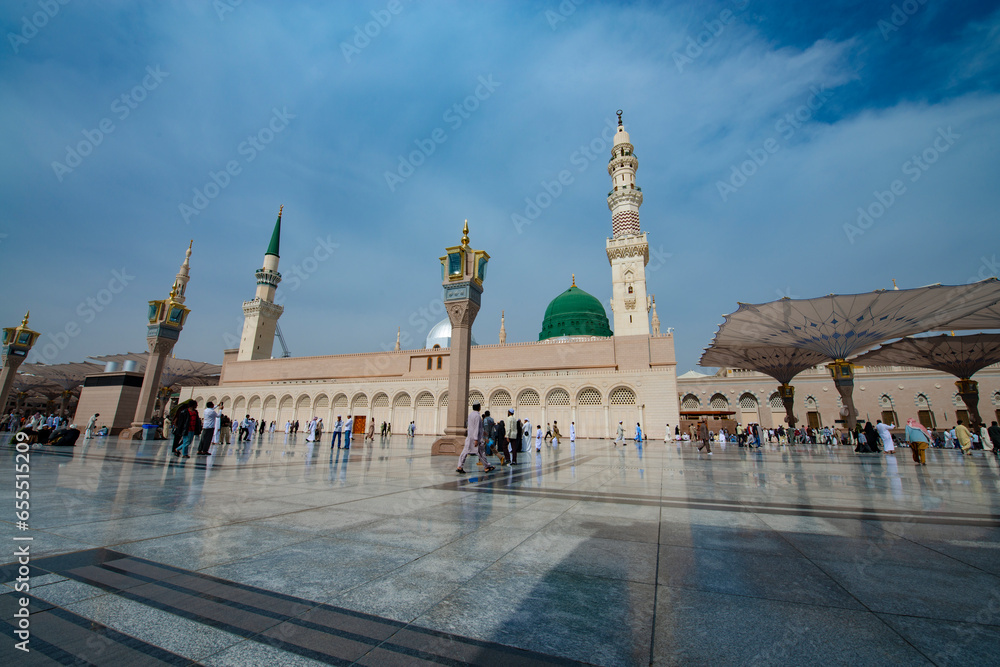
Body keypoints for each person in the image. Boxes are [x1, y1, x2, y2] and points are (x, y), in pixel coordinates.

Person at [457, 402, 492, 474]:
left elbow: (471, 427)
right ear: (479, 407)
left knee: (465, 452)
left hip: (470, 437)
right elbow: (476, 428)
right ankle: (486, 467)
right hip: (476, 438)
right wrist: (476, 439)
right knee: (481, 453)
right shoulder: (477, 416)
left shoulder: (470, 415)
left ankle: (460, 466)